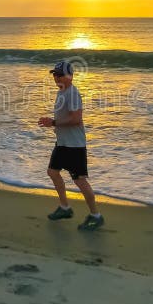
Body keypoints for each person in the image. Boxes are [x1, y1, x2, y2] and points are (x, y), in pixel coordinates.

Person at [37, 60, 104, 231]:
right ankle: (65, 208)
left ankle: (96, 216)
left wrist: (52, 122)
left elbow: (76, 119)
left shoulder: (73, 94)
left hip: (74, 145)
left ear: (70, 76)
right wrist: (54, 123)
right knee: (52, 172)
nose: (56, 77)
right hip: (63, 143)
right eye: (54, 74)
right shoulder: (62, 92)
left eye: (59, 74)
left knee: (79, 180)